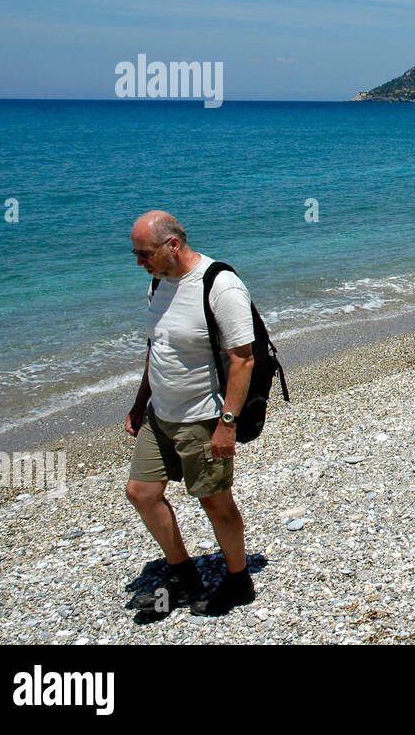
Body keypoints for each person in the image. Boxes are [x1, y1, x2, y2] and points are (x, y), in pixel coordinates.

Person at [124, 211, 258, 617]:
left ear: (173, 245)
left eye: (144, 253)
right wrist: (138, 401)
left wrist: (227, 425)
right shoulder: (158, 283)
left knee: (214, 502)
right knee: (141, 492)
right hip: (159, 414)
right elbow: (157, 347)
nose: (139, 262)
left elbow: (243, 359)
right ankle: (183, 573)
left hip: (203, 416)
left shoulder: (220, 285)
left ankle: (238, 580)